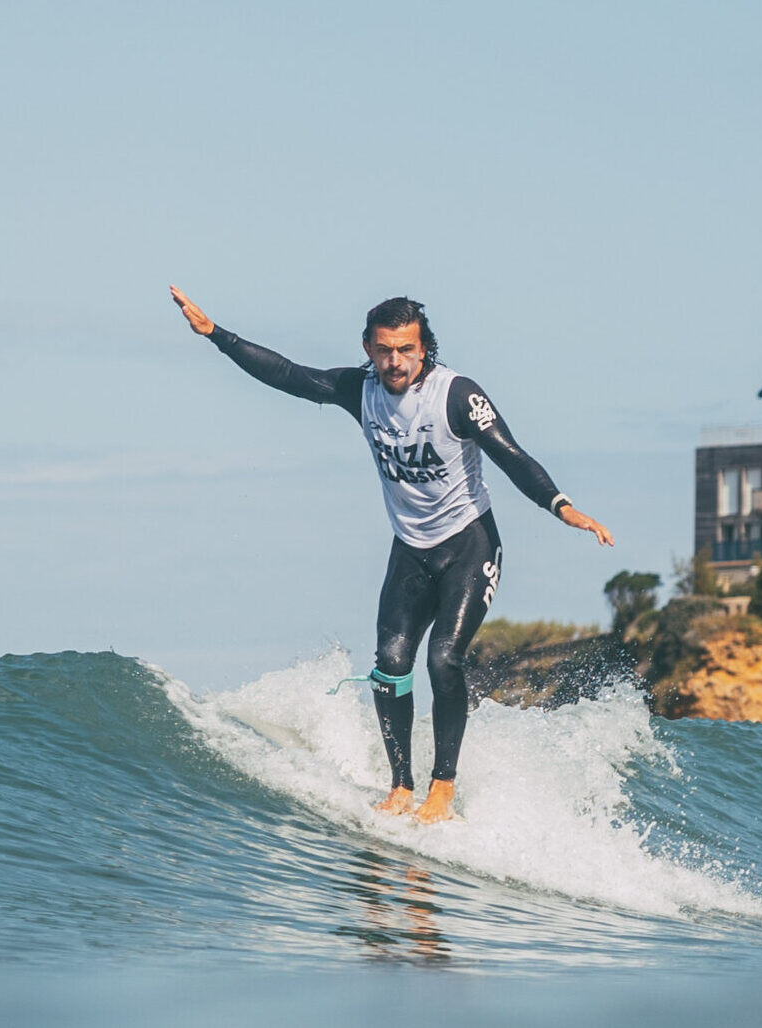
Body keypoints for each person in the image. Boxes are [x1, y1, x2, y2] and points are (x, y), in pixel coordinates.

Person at [169, 287, 614, 824]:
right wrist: (217, 335)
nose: (395, 361)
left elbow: (511, 455)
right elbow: (288, 375)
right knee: (389, 667)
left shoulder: (456, 395)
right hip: (410, 551)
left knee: (443, 659)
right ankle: (401, 787)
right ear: (368, 347)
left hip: (470, 546)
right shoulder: (360, 390)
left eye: (406, 349)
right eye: (384, 350)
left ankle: (442, 789)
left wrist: (560, 505)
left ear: (424, 348)